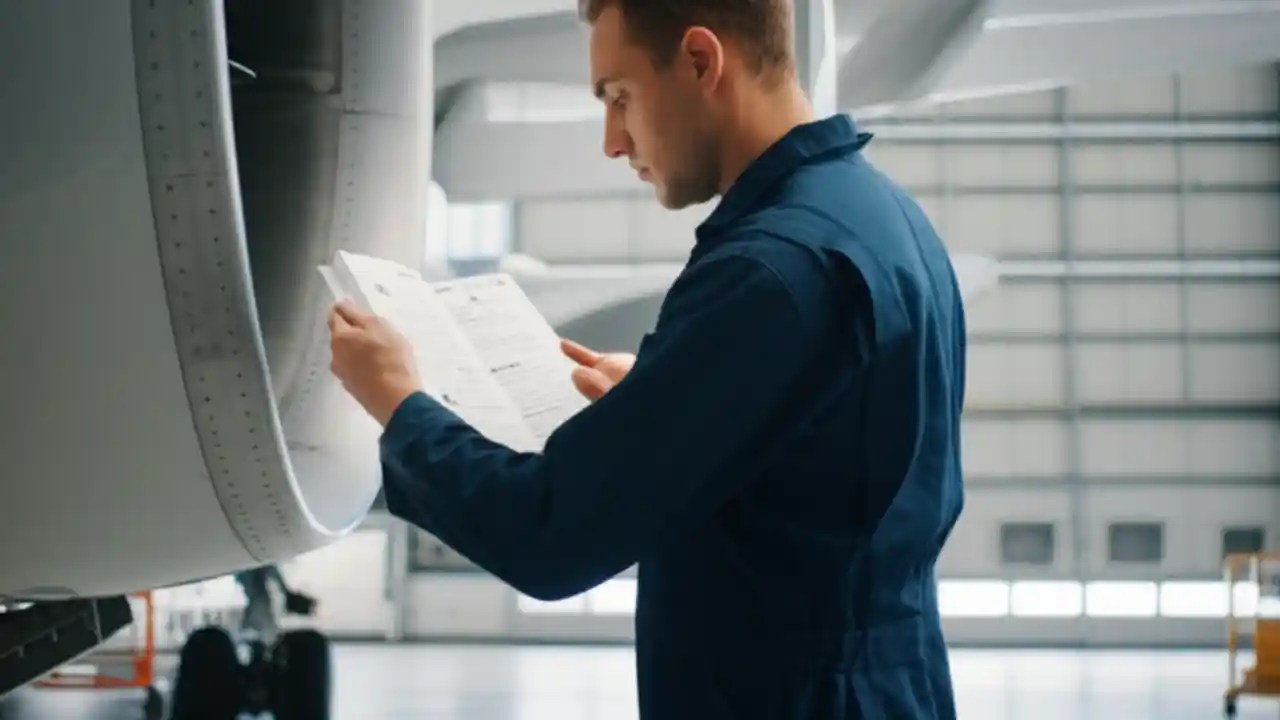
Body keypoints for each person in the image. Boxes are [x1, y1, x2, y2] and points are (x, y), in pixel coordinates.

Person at [326, 0, 966, 717]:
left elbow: (548, 535)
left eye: (619, 97)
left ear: (700, 61)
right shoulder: (882, 215)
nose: (611, 140)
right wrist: (671, 397)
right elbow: (837, 463)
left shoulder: (770, 274)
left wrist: (400, 404)